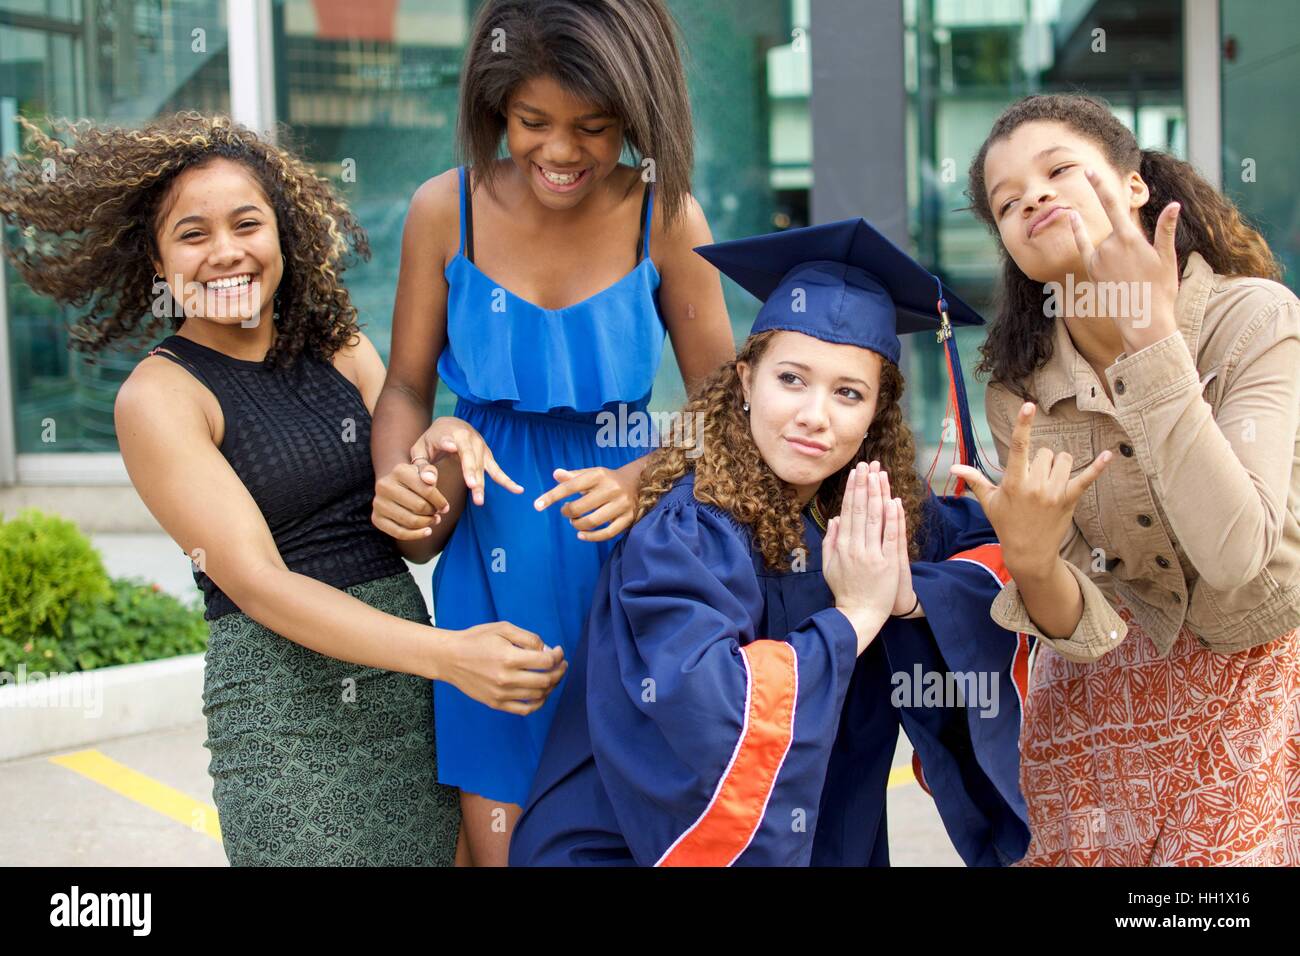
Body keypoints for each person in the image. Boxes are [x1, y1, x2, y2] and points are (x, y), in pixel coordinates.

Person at [0, 112, 567, 866]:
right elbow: (262, 585)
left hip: (410, 697)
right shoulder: (160, 396)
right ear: (158, 260)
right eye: (192, 235)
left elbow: (415, 537)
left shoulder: (346, 350)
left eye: (246, 224)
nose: (227, 253)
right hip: (285, 719)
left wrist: (444, 454)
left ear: (284, 234)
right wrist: (448, 654)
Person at [510, 219, 1037, 866]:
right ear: (744, 381)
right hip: (636, 848)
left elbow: (1001, 557)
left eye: (849, 393)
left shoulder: (872, 512)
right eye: (791, 379)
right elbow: (710, 710)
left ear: (878, 412)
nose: (815, 415)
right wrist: (854, 619)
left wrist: (909, 596)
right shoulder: (689, 533)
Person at [368, 0, 735, 864]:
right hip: (491, 557)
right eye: (533, 122)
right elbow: (405, 389)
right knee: (501, 832)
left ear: (638, 120)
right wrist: (400, 476)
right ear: (496, 108)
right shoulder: (442, 209)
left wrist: (643, 478)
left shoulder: (665, 216)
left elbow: (728, 409)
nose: (561, 152)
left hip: (635, 558)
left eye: (595, 127)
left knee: (635, 816)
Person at [956, 92, 1300, 865]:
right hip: (1103, 710)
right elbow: (1083, 625)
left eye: (1058, 170)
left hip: (1254, 682)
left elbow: (1237, 550)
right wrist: (1035, 560)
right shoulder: (1021, 389)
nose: (1033, 197)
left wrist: (1151, 338)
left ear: (1134, 183)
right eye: (1008, 203)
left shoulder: (1254, 321)